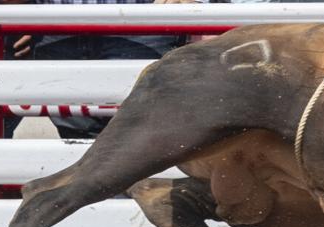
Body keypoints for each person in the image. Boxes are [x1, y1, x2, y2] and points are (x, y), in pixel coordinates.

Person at [10, 0, 192, 140]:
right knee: (75, 125)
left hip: (140, 24)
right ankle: (97, 186)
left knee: (139, 122)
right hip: (57, 26)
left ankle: (114, 185)